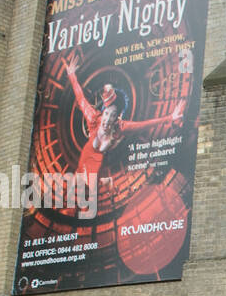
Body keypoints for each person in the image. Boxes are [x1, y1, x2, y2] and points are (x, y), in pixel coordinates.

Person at [63, 58, 184, 219]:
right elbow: (80, 98)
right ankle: (102, 185)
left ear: (117, 117)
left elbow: (145, 124)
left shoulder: (121, 128)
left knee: (91, 187)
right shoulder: (93, 119)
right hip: (84, 162)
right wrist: (71, 75)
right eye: (106, 113)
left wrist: (170, 118)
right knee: (86, 185)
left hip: (95, 166)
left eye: (112, 116)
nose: (107, 120)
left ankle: (101, 187)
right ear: (103, 112)